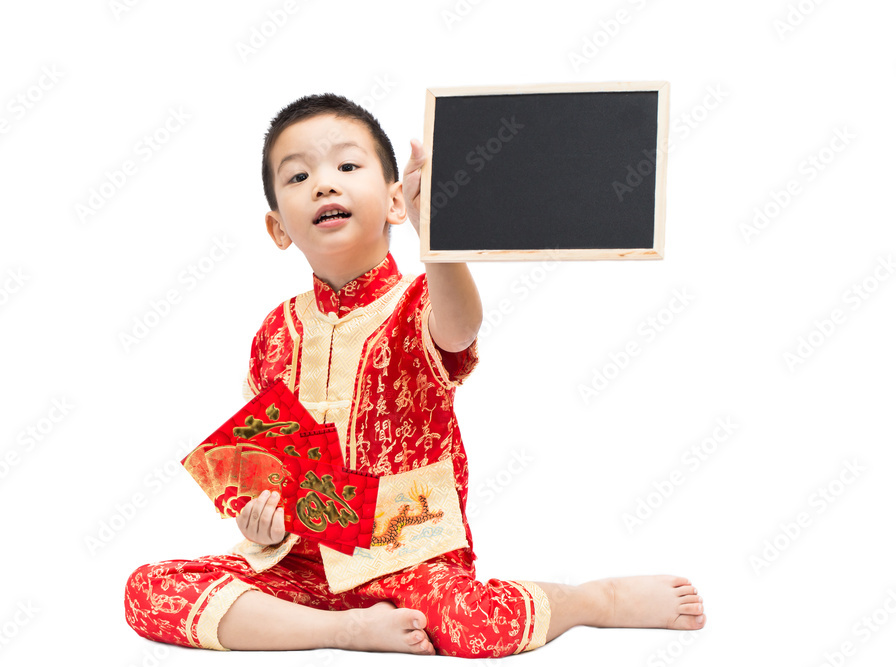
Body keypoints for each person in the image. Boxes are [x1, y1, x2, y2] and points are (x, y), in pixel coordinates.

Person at [124, 93, 706, 657]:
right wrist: (265, 520)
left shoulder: (420, 300)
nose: (324, 183)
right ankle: (342, 631)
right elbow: (269, 470)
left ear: (398, 202)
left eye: (348, 166)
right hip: (297, 567)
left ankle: (591, 601)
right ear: (279, 229)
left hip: (406, 558)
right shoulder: (274, 333)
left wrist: (440, 241)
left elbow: (457, 328)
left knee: (476, 627)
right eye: (298, 177)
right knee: (148, 589)